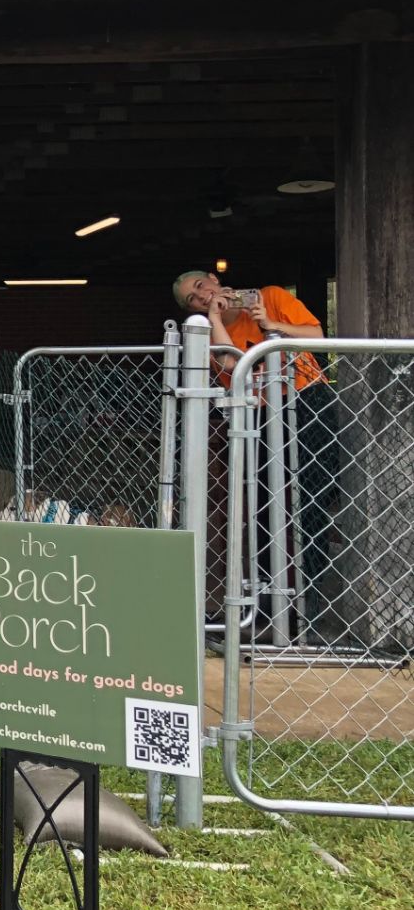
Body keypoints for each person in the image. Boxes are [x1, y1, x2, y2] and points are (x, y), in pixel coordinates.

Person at [173, 269, 337, 637]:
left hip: (306, 399)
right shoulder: (209, 332)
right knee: (262, 505)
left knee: (309, 501)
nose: (201, 297)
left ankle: (310, 601)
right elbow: (232, 367)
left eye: (201, 287)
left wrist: (271, 324)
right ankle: (267, 599)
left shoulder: (272, 296)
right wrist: (215, 319)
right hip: (261, 411)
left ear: (214, 279)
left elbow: (316, 335)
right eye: (192, 301)